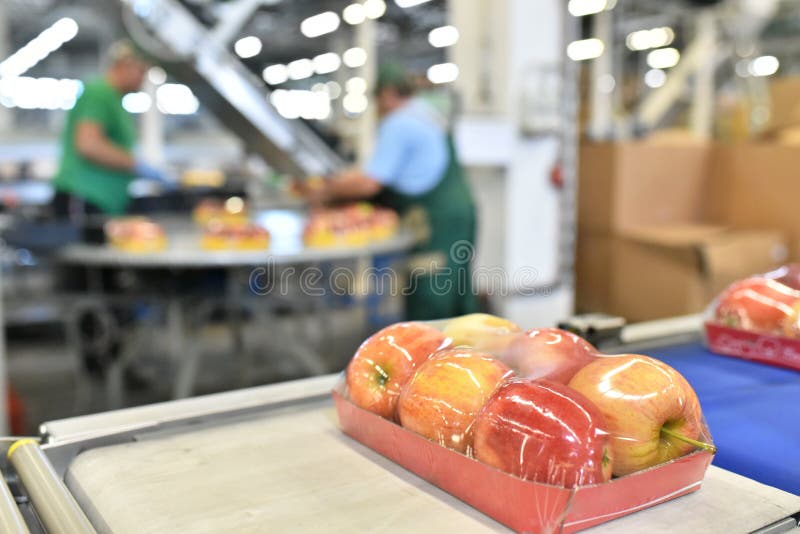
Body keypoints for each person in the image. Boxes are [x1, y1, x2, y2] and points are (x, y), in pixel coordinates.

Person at [305, 64, 478, 320]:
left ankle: (430, 357)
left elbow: (369, 183)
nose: (378, 107)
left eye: (377, 100)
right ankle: (465, 355)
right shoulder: (426, 112)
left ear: (386, 94)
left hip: (434, 220)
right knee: (457, 291)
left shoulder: (398, 123)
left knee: (431, 294)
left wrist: (327, 189)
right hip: (460, 213)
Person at [52, 40, 169, 224]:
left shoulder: (115, 100)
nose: (143, 78)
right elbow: (88, 145)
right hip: (85, 198)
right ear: (125, 65)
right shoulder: (99, 93)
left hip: (102, 202)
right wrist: (135, 164)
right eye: (142, 71)